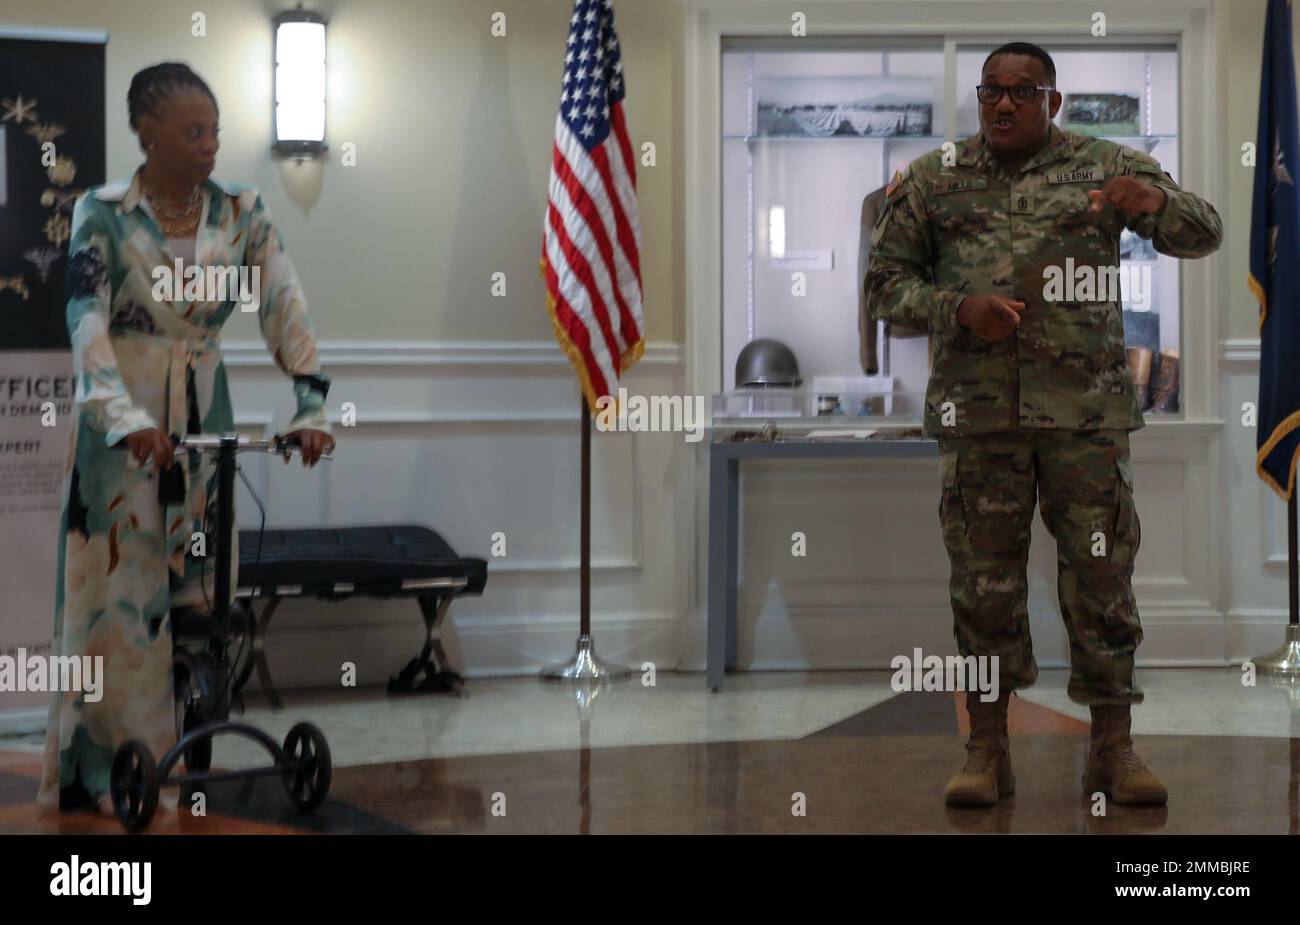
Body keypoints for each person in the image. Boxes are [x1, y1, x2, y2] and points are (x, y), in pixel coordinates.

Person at [865, 42, 1222, 808]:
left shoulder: (1104, 166)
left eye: (1022, 92)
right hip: (980, 419)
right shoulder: (936, 178)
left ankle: (1113, 748)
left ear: (1053, 102)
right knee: (984, 588)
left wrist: (1155, 203)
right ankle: (987, 747)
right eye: (991, 91)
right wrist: (957, 307)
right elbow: (885, 286)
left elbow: (1206, 231)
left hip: (1084, 420)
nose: (1002, 104)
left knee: (1101, 580)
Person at [37, 62, 335, 816]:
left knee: (200, 583)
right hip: (123, 437)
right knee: (121, 601)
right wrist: (125, 420)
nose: (210, 145)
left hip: (206, 418)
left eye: (215, 131)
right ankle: (109, 770)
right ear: (147, 133)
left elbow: (284, 300)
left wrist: (309, 402)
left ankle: (191, 744)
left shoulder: (242, 211)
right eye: (193, 131)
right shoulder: (101, 214)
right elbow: (85, 322)